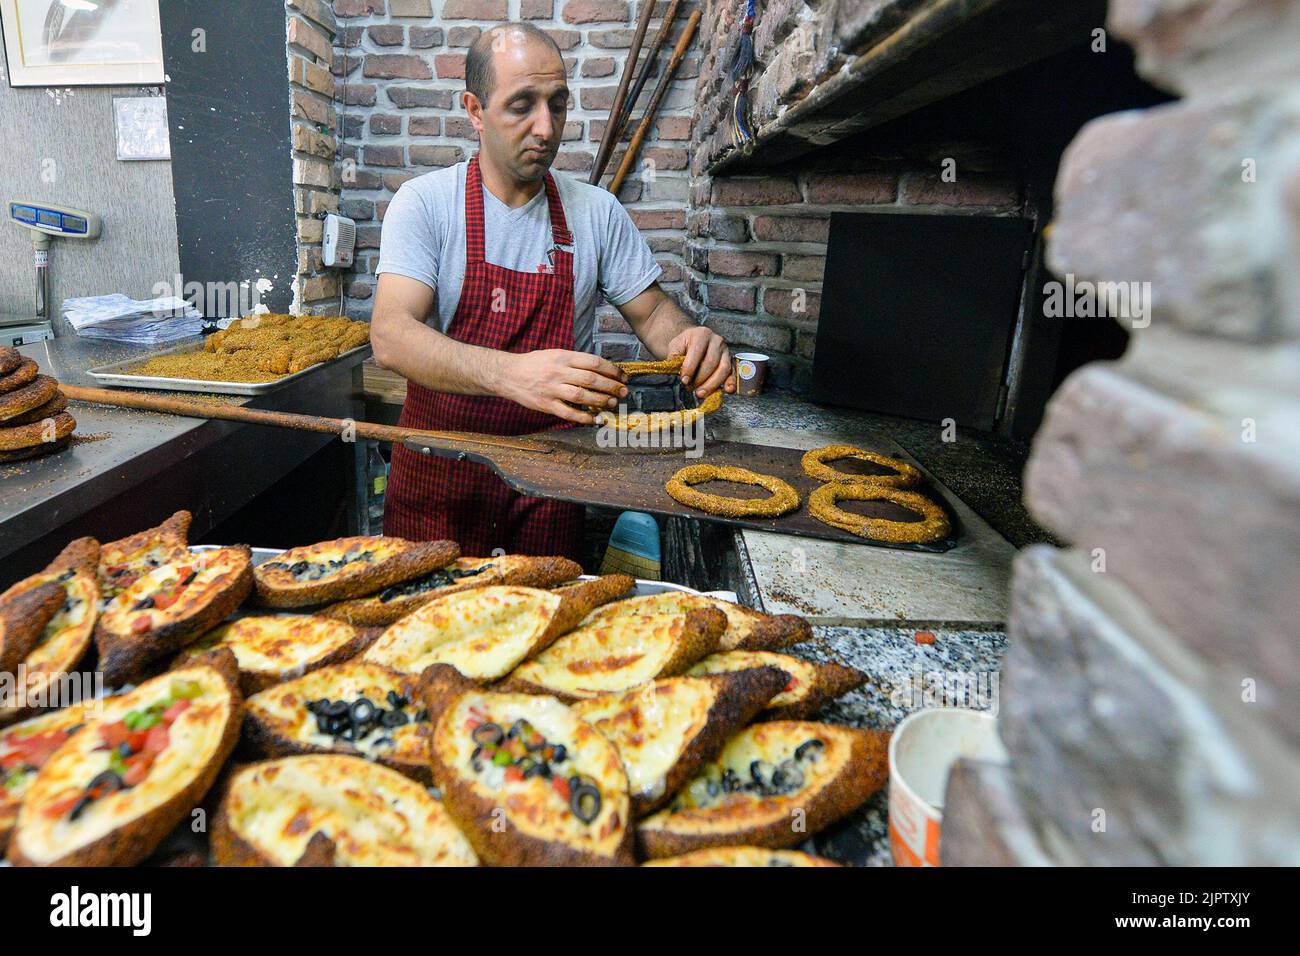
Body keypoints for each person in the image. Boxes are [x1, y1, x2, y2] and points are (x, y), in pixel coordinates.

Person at [370, 22, 732, 561]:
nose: (546, 127)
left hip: (551, 480)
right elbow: (392, 336)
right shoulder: (425, 204)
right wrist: (512, 374)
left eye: (557, 105)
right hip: (441, 473)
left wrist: (690, 341)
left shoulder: (596, 213)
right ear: (475, 110)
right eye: (522, 106)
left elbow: (654, 313)